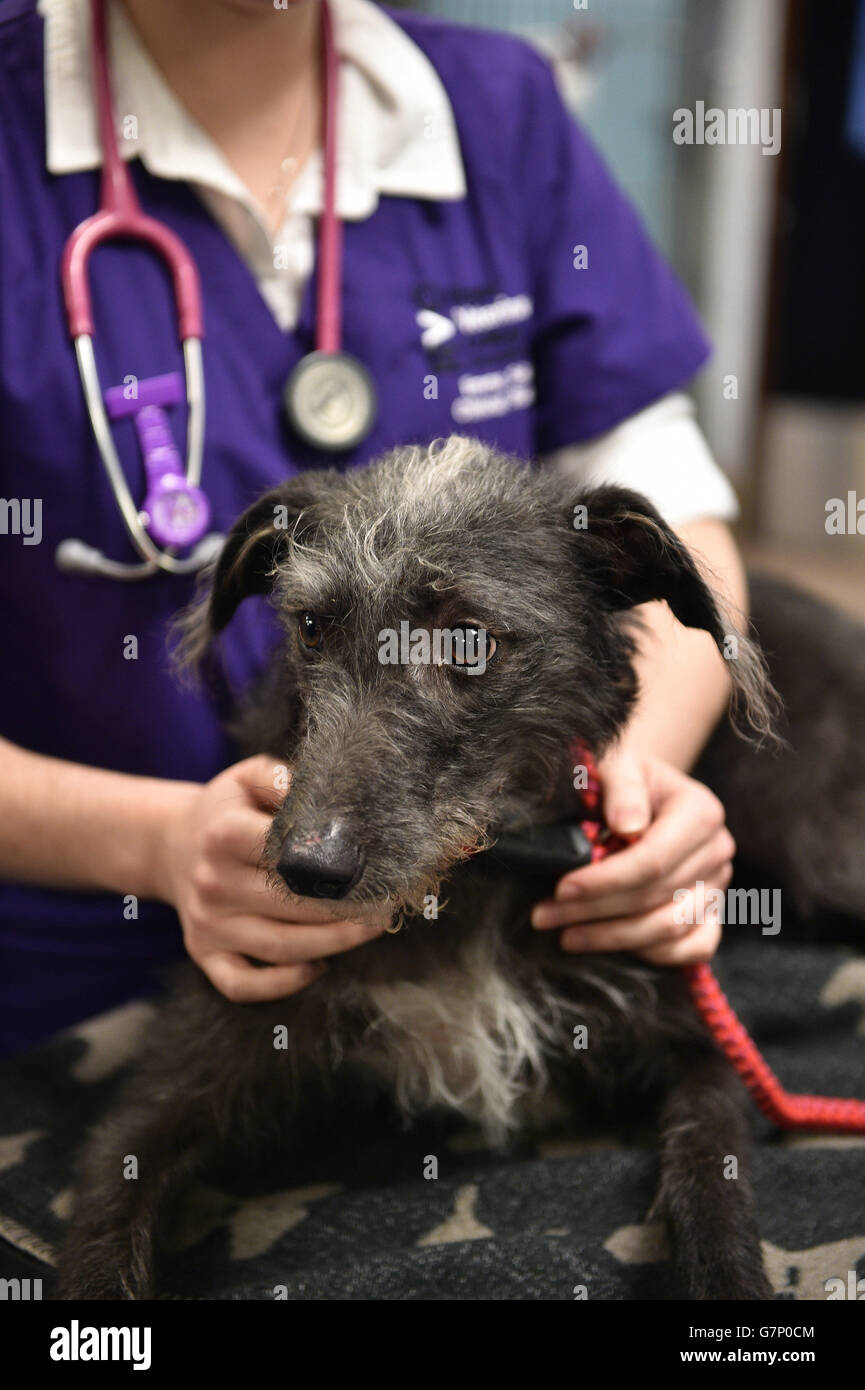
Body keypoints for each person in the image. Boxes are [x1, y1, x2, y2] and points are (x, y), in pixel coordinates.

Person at [0, 0, 743, 1056]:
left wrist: (641, 783)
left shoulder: (496, 110)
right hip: (62, 986)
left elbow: (673, 523)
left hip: (471, 933)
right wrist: (153, 845)